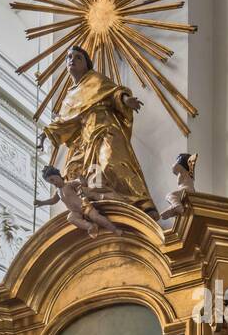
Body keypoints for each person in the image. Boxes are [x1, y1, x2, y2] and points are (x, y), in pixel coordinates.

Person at [39, 46, 157, 216]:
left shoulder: (95, 79)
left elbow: (114, 93)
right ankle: (94, 201)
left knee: (111, 163)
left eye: (78, 57)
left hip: (105, 127)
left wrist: (126, 100)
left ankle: (142, 203)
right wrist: (45, 134)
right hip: (85, 138)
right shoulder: (69, 96)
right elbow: (65, 122)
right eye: (69, 57)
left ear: (87, 63)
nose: (72, 59)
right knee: (76, 171)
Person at [35, 165, 122, 237]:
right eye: (50, 182)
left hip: (84, 206)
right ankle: (90, 226)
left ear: (58, 175)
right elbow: (53, 201)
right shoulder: (58, 192)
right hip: (75, 211)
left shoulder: (68, 184)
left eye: (52, 179)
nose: (53, 183)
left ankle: (115, 229)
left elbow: (79, 182)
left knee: (96, 217)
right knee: (70, 218)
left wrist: (81, 180)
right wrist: (42, 203)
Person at [160, 152, 197, 219]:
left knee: (170, 195)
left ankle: (177, 206)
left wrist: (180, 159)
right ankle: (174, 209)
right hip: (188, 190)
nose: (175, 162)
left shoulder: (184, 171)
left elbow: (174, 167)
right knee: (176, 200)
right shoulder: (183, 172)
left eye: (177, 160)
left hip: (187, 189)